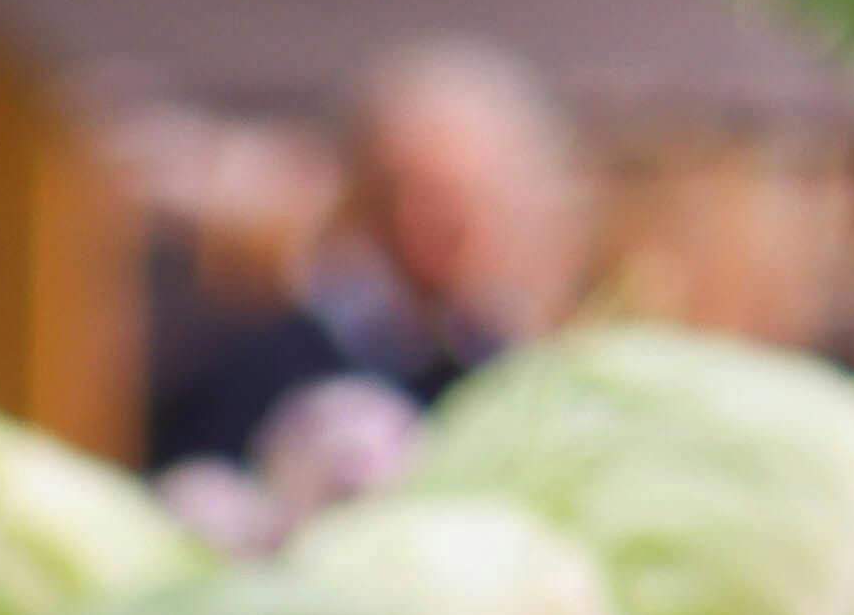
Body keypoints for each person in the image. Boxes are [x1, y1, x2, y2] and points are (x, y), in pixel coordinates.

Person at [146, 46, 587, 480]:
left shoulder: (507, 374)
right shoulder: (261, 369)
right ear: (364, 197)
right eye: (420, 193)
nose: (445, 222)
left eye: (470, 197)